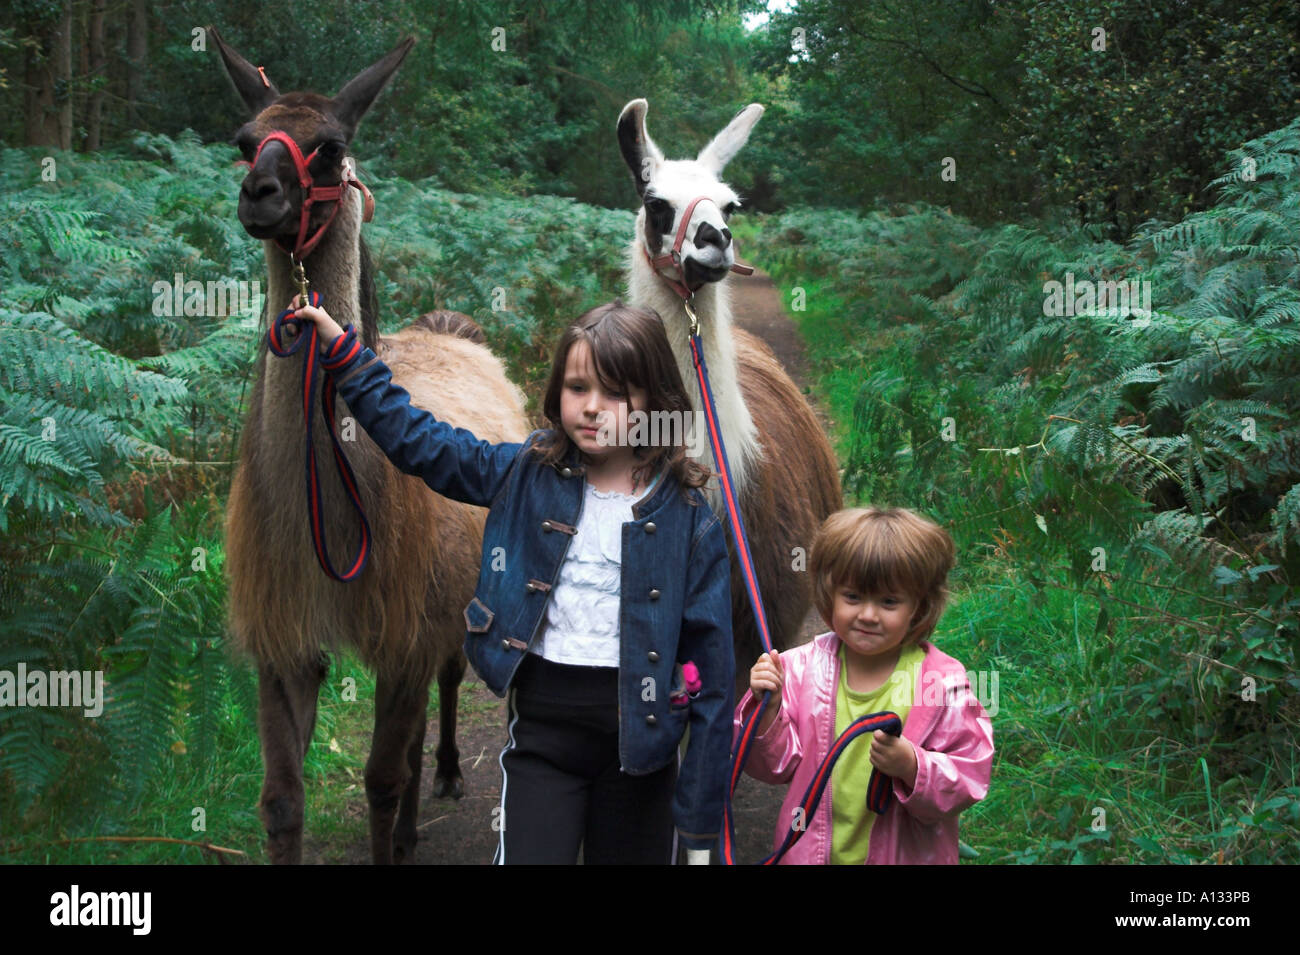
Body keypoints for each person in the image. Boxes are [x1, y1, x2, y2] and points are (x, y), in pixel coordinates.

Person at [289, 295, 734, 864]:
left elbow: (714, 679)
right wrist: (347, 359)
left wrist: (698, 828)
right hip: (544, 738)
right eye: (578, 389)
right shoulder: (527, 471)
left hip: (642, 753)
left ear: (654, 399)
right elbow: (422, 443)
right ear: (557, 392)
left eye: (616, 392)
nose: (593, 408)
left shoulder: (688, 514)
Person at [736, 507, 993, 864]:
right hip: (810, 855)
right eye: (853, 597)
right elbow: (774, 766)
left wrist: (912, 767)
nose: (868, 615)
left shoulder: (941, 683)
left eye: (889, 601)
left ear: (918, 606)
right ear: (829, 594)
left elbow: (970, 776)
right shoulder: (799, 669)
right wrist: (769, 711)